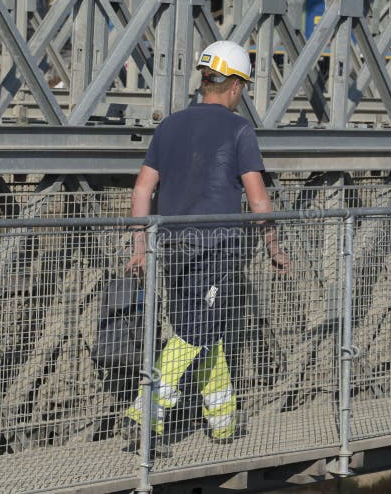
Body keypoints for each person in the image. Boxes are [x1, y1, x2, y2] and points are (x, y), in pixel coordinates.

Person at [122, 40, 288, 448]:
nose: (242, 95)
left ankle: (223, 418)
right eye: (243, 88)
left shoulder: (169, 126)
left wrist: (139, 245)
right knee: (196, 330)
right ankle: (148, 408)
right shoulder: (239, 129)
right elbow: (258, 197)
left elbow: (143, 188)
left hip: (173, 244)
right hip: (217, 247)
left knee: (198, 329)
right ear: (233, 86)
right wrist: (273, 245)